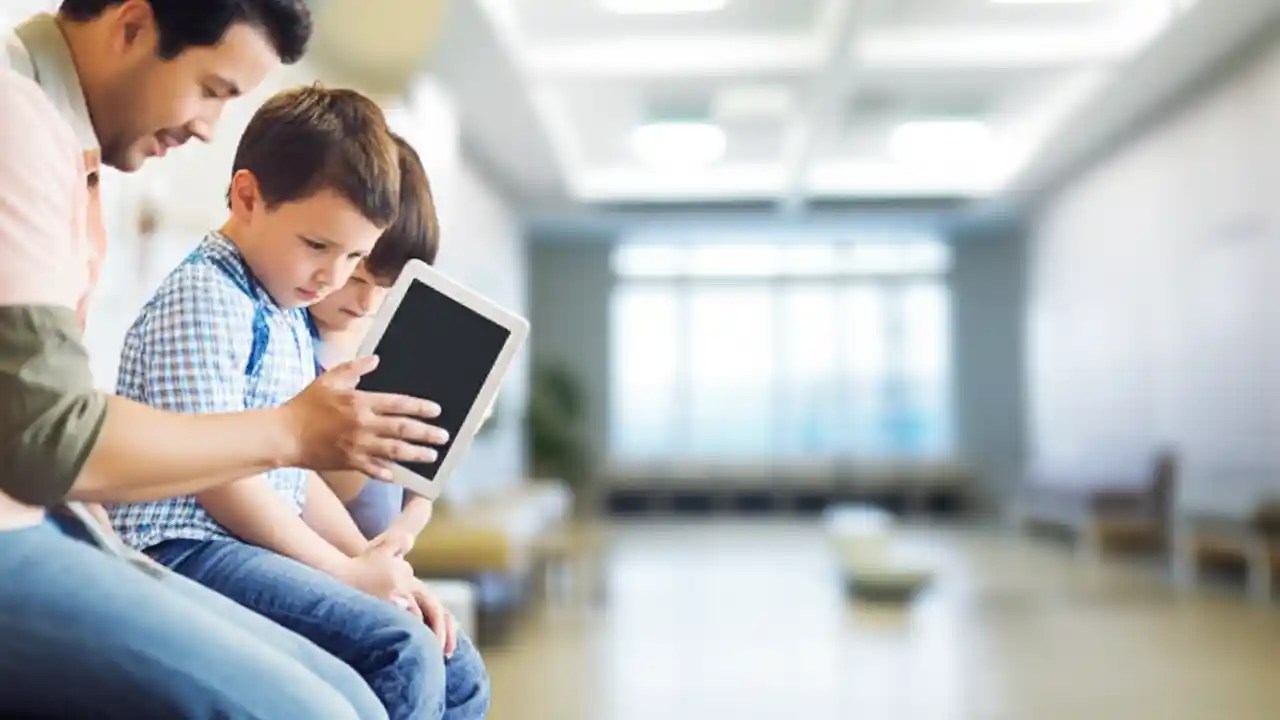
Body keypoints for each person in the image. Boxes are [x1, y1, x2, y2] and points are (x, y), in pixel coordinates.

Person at [0, 3, 444, 717]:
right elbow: (49, 436)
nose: (211, 126)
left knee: (353, 695)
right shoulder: (16, 121)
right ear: (132, 26)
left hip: (53, 521)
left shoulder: (53, 139)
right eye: (213, 88)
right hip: (30, 532)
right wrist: (293, 434)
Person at [108, 86, 490, 720]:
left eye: (355, 258)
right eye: (318, 247)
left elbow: (294, 474)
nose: (333, 279)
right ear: (247, 198)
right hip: (185, 546)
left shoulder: (283, 307)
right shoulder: (208, 297)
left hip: (242, 542)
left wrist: (368, 562)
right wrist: (342, 577)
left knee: (460, 670)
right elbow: (221, 483)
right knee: (401, 650)